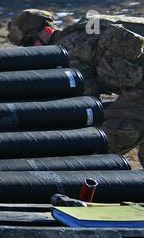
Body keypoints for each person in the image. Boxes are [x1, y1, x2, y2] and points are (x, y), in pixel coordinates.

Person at [8, 9, 144, 157]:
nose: (31, 51)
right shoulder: (81, 33)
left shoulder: (66, 53)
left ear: (47, 31)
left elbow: (85, 104)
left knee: (102, 145)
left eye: (30, 42)